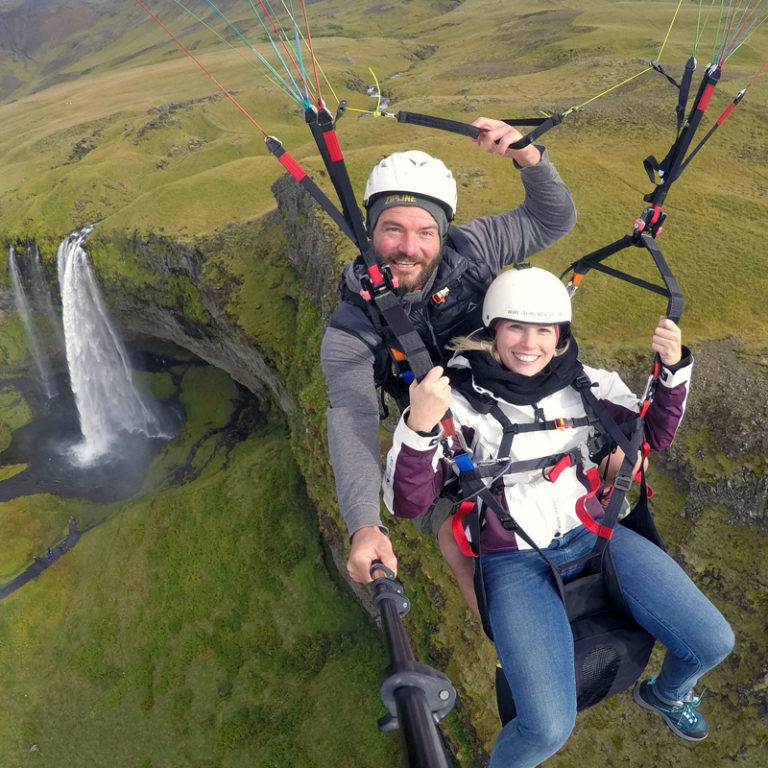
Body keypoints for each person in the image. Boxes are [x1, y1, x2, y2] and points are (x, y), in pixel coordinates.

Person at [382, 266, 734, 766]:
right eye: (516, 328)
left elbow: (650, 436)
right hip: (513, 561)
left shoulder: (588, 386)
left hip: (594, 534)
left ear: (561, 335)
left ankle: (667, 693)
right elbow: (407, 504)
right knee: (546, 729)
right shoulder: (455, 403)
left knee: (712, 641)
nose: (530, 344)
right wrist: (418, 426)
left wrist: (673, 370)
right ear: (493, 330)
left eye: (544, 331)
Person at [321, 117, 577, 590]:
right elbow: (351, 420)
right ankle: (511, 650)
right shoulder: (352, 328)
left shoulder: (474, 248)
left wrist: (528, 157)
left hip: (518, 400)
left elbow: (552, 218)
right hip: (439, 441)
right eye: (391, 230)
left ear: (443, 233)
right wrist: (364, 524)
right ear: (368, 231)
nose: (408, 249)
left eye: (425, 233)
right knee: (460, 546)